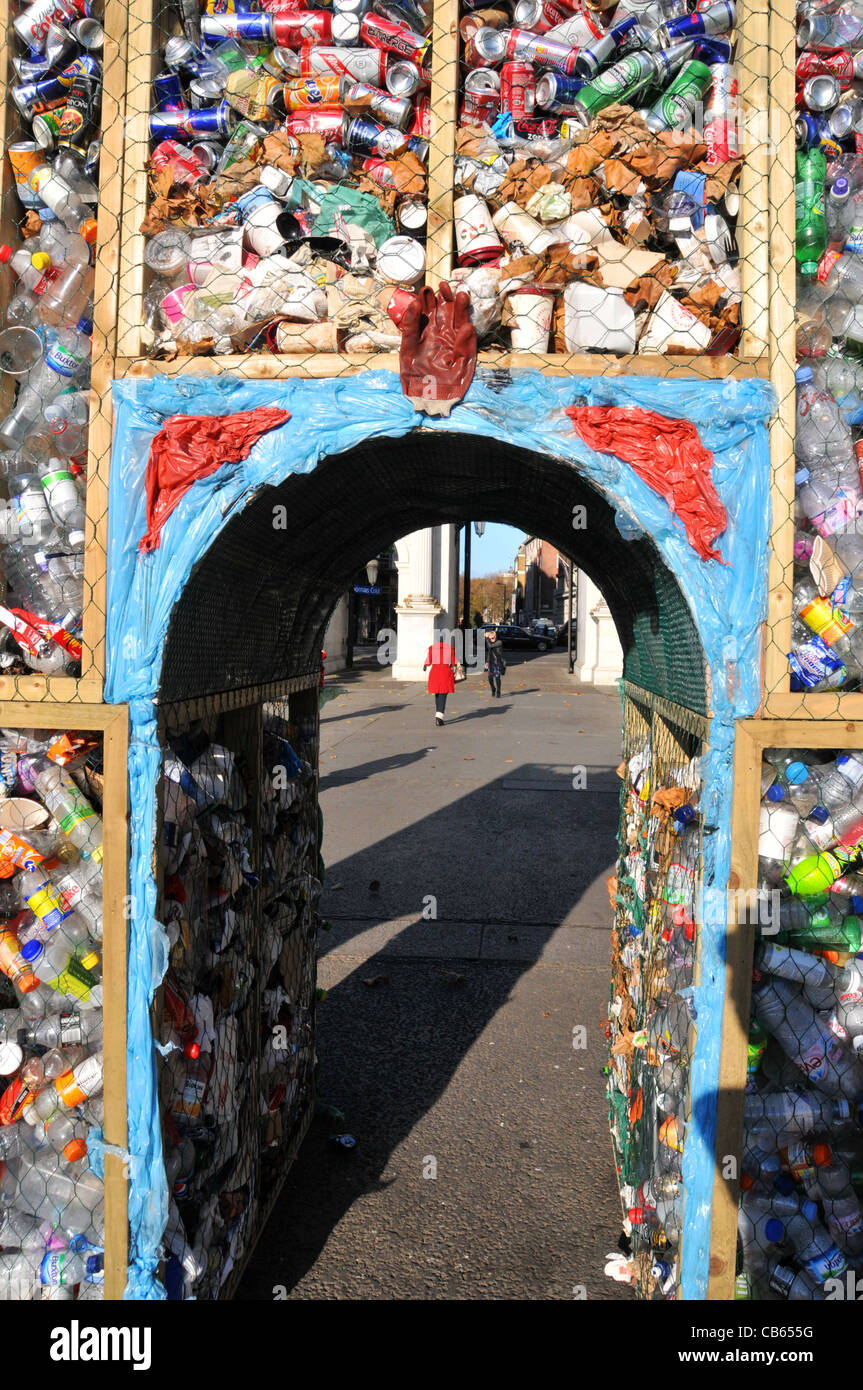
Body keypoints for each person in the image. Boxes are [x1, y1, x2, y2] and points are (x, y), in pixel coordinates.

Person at [424, 637, 457, 726]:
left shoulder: (432, 648)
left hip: (435, 672)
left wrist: (425, 665)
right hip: (445, 673)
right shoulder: (450, 648)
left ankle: (438, 715)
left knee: (437, 694)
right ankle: (439, 717)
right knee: (443, 694)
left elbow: (428, 661)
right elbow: (453, 662)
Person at [485, 628, 506, 698]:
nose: (492, 639)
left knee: (497, 678)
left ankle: (498, 691)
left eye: (493, 637)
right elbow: (489, 653)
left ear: (495, 636)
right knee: (490, 678)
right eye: (491, 638)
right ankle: (493, 688)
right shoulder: (490, 642)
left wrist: (487, 638)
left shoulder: (499, 642)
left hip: (497, 662)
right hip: (491, 662)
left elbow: (490, 646)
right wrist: (487, 662)